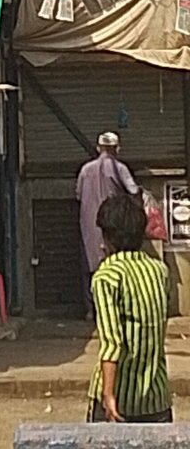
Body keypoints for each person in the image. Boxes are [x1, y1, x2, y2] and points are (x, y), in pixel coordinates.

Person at [88, 194, 171, 424]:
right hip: (156, 398)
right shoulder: (159, 271)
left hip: (120, 400)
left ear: (107, 236)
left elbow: (112, 343)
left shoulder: (106, 276)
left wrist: (108, 394)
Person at [76, 132, 139, 318]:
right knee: (116, 264)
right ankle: (115, 307)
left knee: (89, 264)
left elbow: (78, 195)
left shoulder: (85, 170)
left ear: (98, 148)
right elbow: (133, 190)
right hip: (114, 224)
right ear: (117, 149)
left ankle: (91, 309)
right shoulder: (120, 168)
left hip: (88, 225)